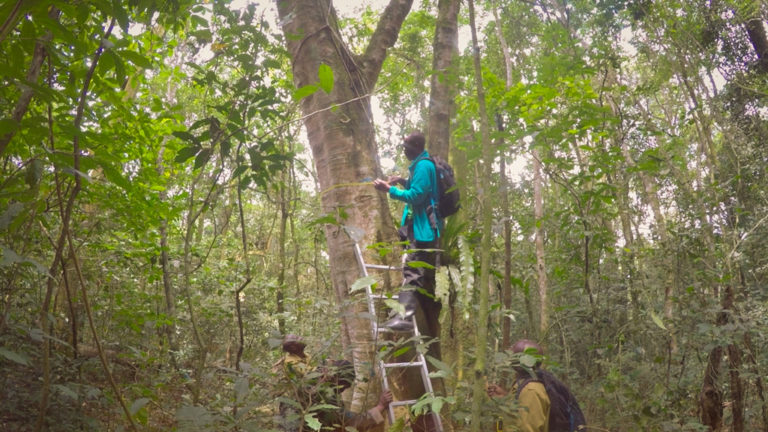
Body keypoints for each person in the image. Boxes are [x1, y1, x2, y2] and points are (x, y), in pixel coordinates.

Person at [373, 131, 442, 333]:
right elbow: (422, 188)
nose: (405, 151)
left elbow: (418, 196)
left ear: (418, 146)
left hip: (424, 229)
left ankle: (403, 317)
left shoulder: (423, 165)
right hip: (419, 227)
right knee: (415, 269)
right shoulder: (421, 166)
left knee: (413, 269)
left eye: (407, 147)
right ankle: (406, 315)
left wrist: (389, 190)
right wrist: (404, 181)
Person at [486, 339, 586, 432]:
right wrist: (505, 397)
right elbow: (520, 412)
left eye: (514, 355)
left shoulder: (531, 390)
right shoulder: (525, 383)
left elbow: (527, 427)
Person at [310, 359, 393, 432]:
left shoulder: (310, 376)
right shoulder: (325, 398)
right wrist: (380, 406)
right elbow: (354, 423)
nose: (342, 390)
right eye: (344, 386)